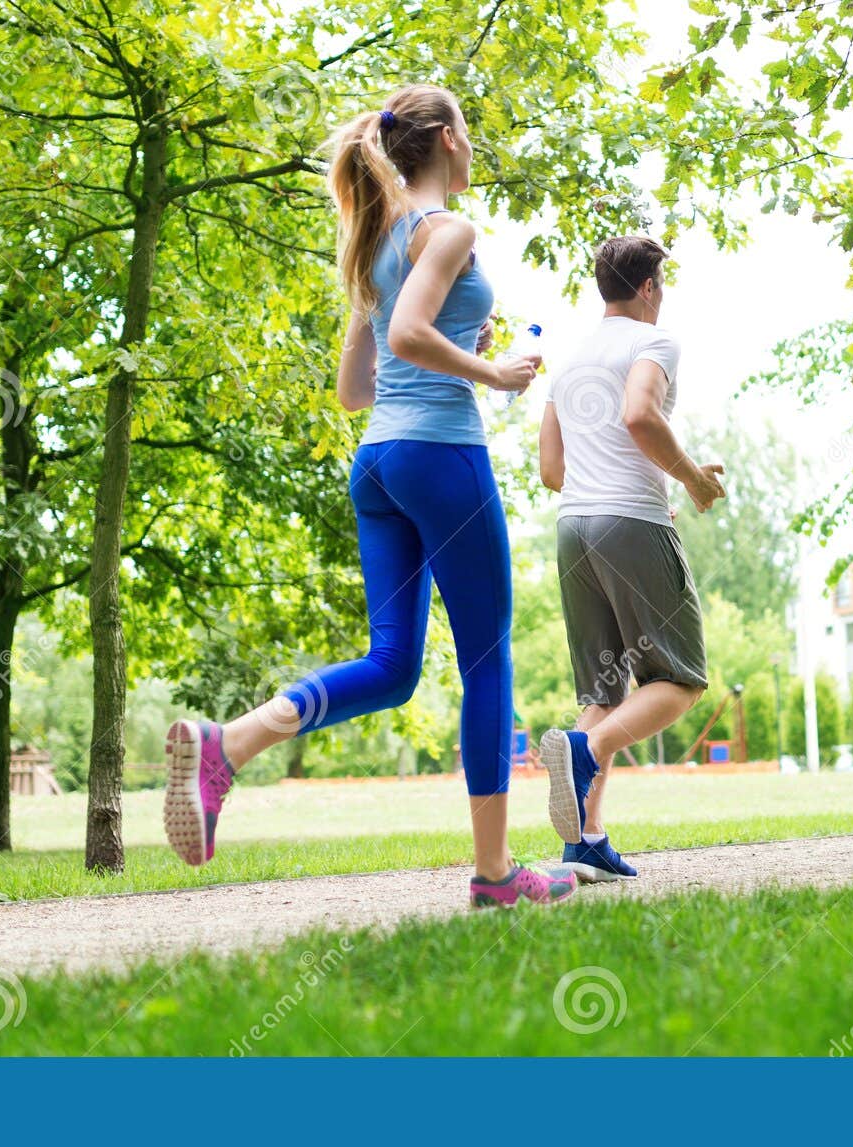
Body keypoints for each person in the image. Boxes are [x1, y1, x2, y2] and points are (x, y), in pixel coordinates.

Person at [163, 84, 577, 909]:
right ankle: (497, 875)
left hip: (379, 461)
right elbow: (404, 337)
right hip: (439, 456)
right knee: (487, 659)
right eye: (471, 130)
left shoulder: (379, 239)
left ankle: (229, 743)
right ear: (451, 140)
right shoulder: (449, 229)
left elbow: (356, 388)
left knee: (393, 668)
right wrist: (491, 370)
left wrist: (454, 339)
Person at [536, 235, 724, 881]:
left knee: (603, 688)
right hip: (628, 521)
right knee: (682, 679)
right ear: (648, 287)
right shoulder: (655, 341)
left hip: (574, 530)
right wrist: (693, 481)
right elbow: (640, 415)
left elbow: (552, 469)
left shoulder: (570, 360)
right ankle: (586, 751)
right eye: (661, 285)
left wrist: (660, 484)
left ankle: (585, 840)